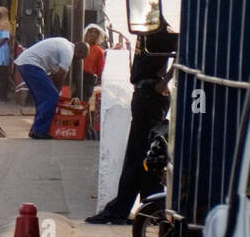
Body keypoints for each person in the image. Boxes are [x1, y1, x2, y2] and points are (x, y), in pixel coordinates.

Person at [86, 36, 171, 223]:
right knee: (137, 156)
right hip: (144, 94)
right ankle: (137, 208)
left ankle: (150, 208)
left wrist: (163, 83)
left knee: (145, 156)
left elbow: (182, 51)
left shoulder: (160, 31)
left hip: (151, 95)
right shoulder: (145, 31)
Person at [16, 36, 89, 139]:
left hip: (25, 63)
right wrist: (57, 92)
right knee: (51, 96)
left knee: (42, 99)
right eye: (81, 58)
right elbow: (60, 76)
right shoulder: (68, 53)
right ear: (80, 52)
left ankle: (35, 129)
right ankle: (39, 131)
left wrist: (55, 88)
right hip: (32, 64)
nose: (77, 60)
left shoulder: (64, 43)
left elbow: (54, 76)